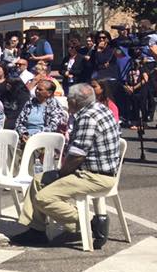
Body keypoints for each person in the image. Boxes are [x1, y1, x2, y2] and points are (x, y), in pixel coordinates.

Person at [11, 83, 120, 249]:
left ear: (76, 102)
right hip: (90, 170)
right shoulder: (100, 108)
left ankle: (91, 222)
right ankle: (36, 230)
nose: (66, 102)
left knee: (44, 198)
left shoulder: (87, 118)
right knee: (38, 180)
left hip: (94, 175)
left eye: (68, 99)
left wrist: (61, 174)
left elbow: (77, 155)